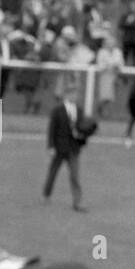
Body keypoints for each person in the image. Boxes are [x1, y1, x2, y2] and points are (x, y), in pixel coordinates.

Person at [43, 76, 94, 211]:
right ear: (67, 95)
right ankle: (47, 193)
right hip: (59, 148)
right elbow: (52, 130)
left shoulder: (79, 110)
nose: (75, 96)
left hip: (73, 149)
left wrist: (84, 137)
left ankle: (77, 202)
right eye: (72, 94)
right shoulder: (57, 111)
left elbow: (82, 127)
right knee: (53, 173)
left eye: (76, 94)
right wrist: (50, 146)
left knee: (75, 176)